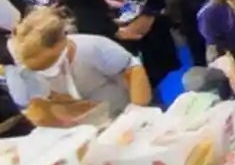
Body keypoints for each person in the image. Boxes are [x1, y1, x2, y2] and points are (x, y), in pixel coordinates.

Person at [5, 8, 152, 121]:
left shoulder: (93, 48)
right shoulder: (31, 68)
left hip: (124, 112)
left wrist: (137, 112)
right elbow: (48, 100)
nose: (48, 71)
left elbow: (134, 71)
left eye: (51, 64)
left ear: (60, 44)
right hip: (92, 126)